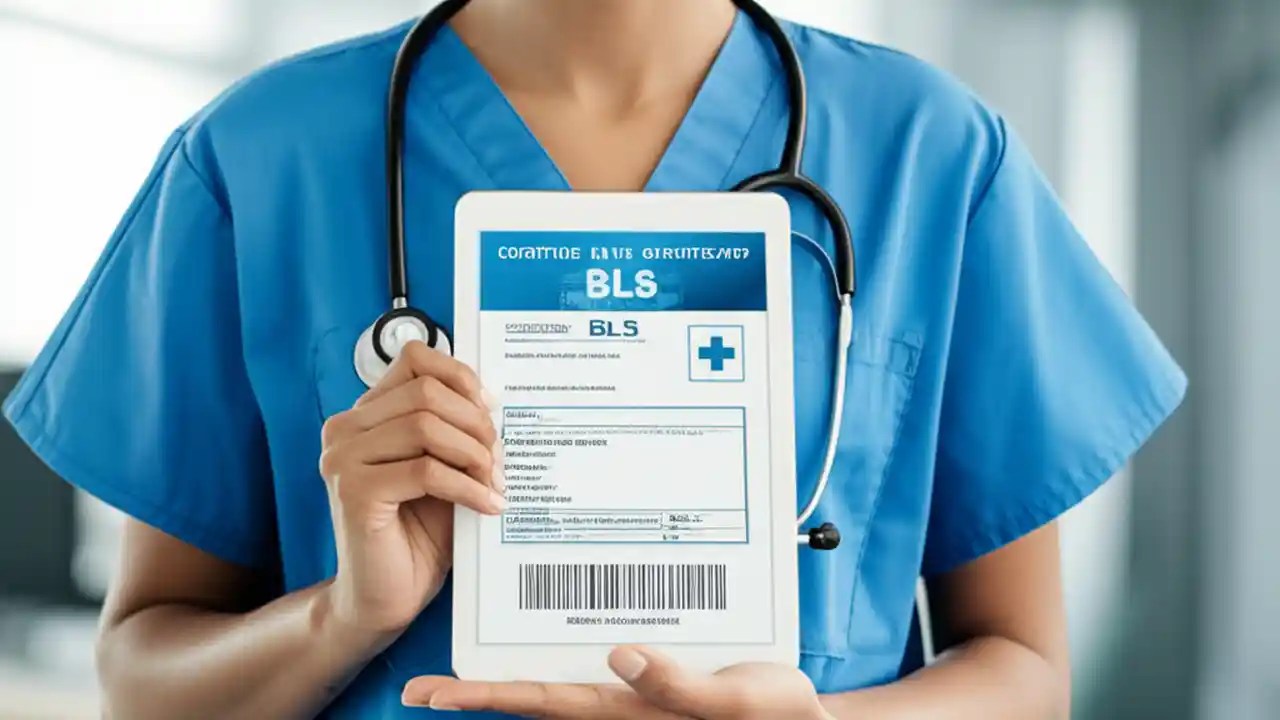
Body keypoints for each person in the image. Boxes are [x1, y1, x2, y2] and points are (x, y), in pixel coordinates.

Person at [1, 1, 1187, 718]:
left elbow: (1024, 670)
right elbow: (141, 686)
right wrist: (343, 618)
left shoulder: (934, 157)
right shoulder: (257, 160)